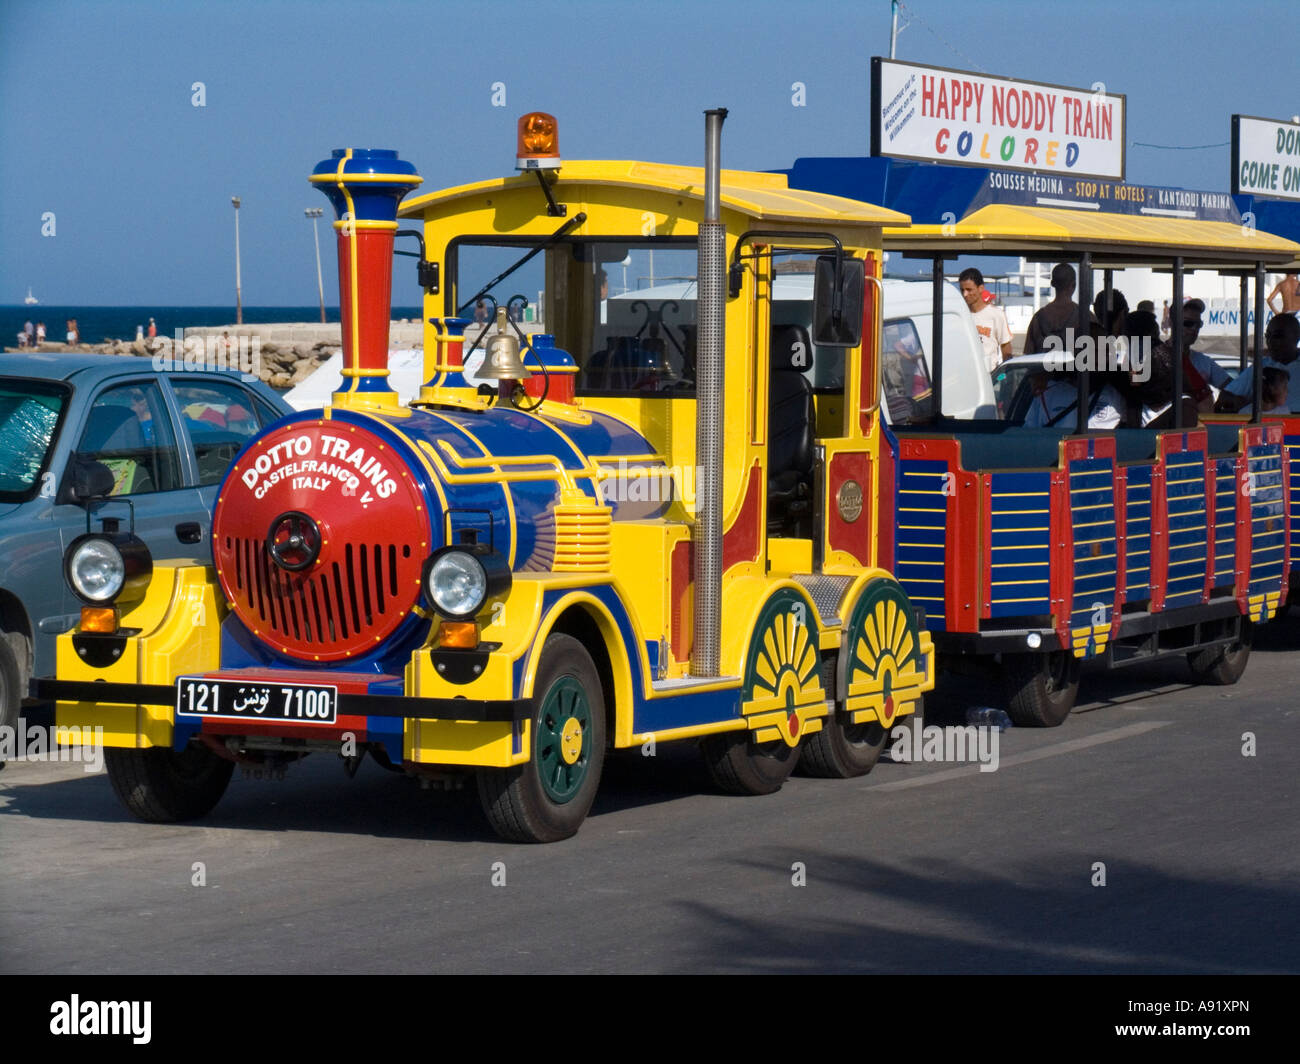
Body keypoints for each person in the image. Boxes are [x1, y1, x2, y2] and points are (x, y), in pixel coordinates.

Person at [1218, 313, 1300, 414]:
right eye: (1267, 336)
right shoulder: (1260, 367)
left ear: (1297, 336)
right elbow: (1225, 396)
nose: (1270, 341)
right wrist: (1253, 404)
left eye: (1278, 336)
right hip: (1268, 425)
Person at [958, 267, 1011, 373]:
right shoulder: (959, 315)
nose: (965, 294)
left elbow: (1006, 351)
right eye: (962, 290)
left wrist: (1001, 378)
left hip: (988, 375)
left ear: (981, 288)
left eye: (969, 290)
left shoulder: (996, 315)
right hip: (964, 375)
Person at [1024, 263, 1079, 356]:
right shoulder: (1086, 317)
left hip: (1043, 370)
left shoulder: (1038, 318)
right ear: (1073, 285)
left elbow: (1028, 356)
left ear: (1052, 284)